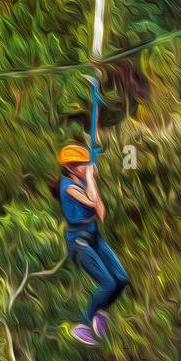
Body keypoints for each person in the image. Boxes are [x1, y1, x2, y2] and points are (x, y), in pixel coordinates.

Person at [53, 144, 129, 346]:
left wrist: (90, 182)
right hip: (79, 242)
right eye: (80, 164)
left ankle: (100, 313)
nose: (85, 166)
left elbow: (100, 213)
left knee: (122, 278)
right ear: (70, 168)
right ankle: (84, 325)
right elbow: (91, 201)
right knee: (108, 283)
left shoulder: (83, 181)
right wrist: (91, 178)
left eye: (86, 163)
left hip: (94, 235)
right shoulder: (67, 186)